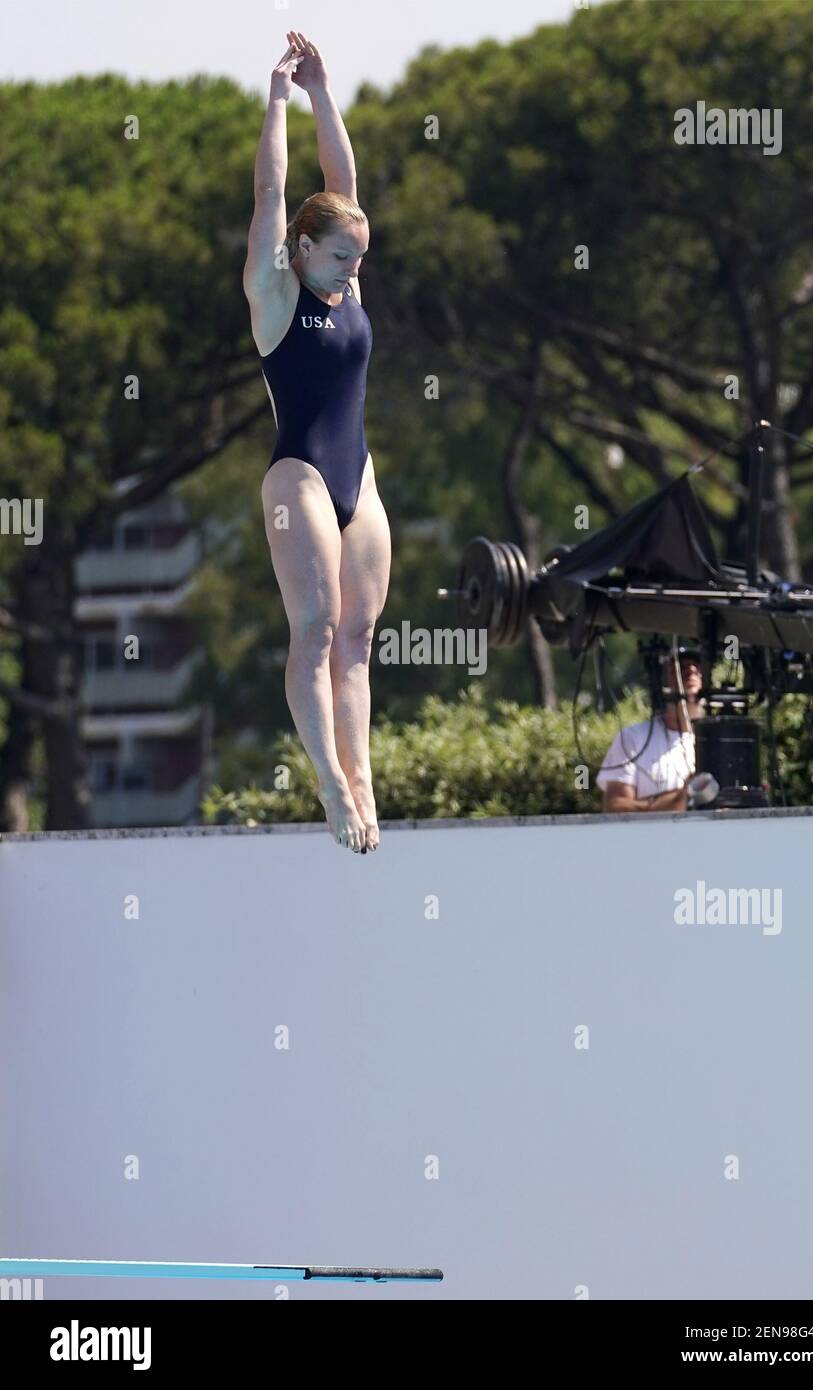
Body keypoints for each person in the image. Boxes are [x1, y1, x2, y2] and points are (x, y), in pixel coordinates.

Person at [243, 32, 391, 854]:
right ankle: (330, 786)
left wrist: (323, 92)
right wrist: (275, 100)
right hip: (298, 472)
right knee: (319, 628)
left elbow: (344, 187)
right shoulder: (274, 292)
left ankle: (363, 780)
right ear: (301, 250)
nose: (350, 272)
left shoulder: (346, 270)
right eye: (339, 258)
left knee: (360, 642)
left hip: (358, 476)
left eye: (358, 258)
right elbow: (273, 191)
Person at [596, 650, 705, 813]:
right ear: (663, 684)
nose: (691, 672)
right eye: (681, 669)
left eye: (697, 668)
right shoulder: (633, 738)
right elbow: (615, 807)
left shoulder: (719, 739)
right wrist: (678, 799)